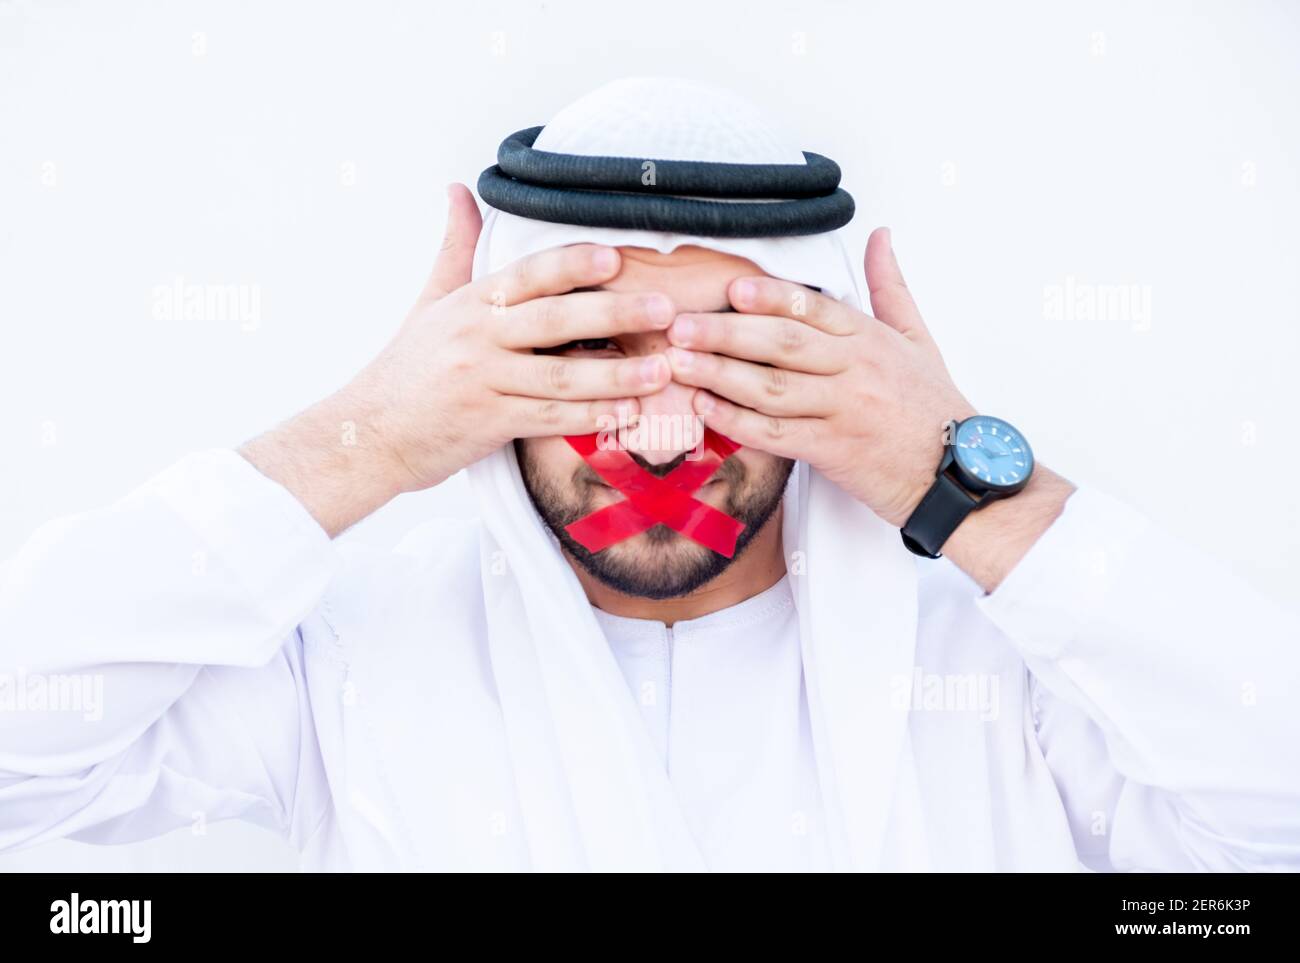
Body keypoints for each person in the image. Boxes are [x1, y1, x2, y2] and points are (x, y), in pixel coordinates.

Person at [1, 78, 1297, 872]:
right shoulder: (342, 663)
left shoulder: (1007, 676)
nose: (669, 440)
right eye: (587, 353)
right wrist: (363, 443)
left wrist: (968, 486)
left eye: (738, 362)